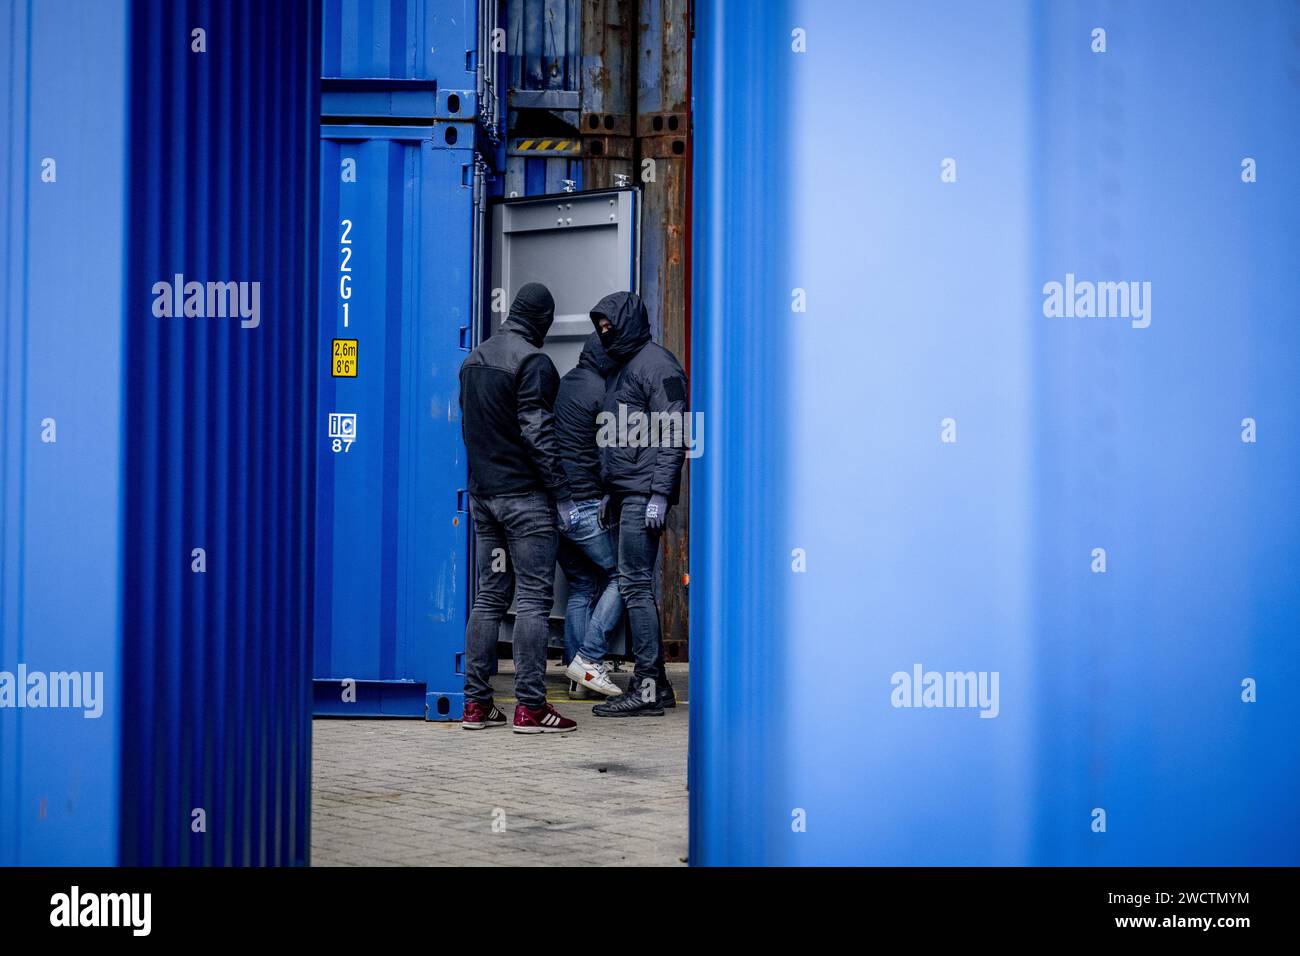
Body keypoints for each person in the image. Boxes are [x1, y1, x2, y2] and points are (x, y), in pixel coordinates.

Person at [458, 282, 580, 734]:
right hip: (525, 500)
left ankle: (476, 705)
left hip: (484, 498)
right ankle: (530, 707)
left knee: (489, 597)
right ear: (542, 319)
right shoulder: (534, 362)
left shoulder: (473, 361)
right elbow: (537, 434)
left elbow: (470, 431)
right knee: (532, 598)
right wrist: (563, 494)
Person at [586, 291, 687, 718]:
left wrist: (660, 494)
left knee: (635, 586)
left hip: (644, 494)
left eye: (609, 326)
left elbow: (674, 428)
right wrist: (612, 488)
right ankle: (657, 687)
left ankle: (645, 687)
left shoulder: (656, 364)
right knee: (634, 584)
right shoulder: (624, 366)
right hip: (629, 492)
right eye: (600, 329)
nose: (604, 334)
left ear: (627, 323)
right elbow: (622, 436)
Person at [555, 332, 624, 699]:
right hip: (585, 505)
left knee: (582, 585)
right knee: (623, 576)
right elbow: (607, 454)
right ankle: (589, 658)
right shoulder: (603, 392)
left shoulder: (564, 384)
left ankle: (576, 677)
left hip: (556, 506)